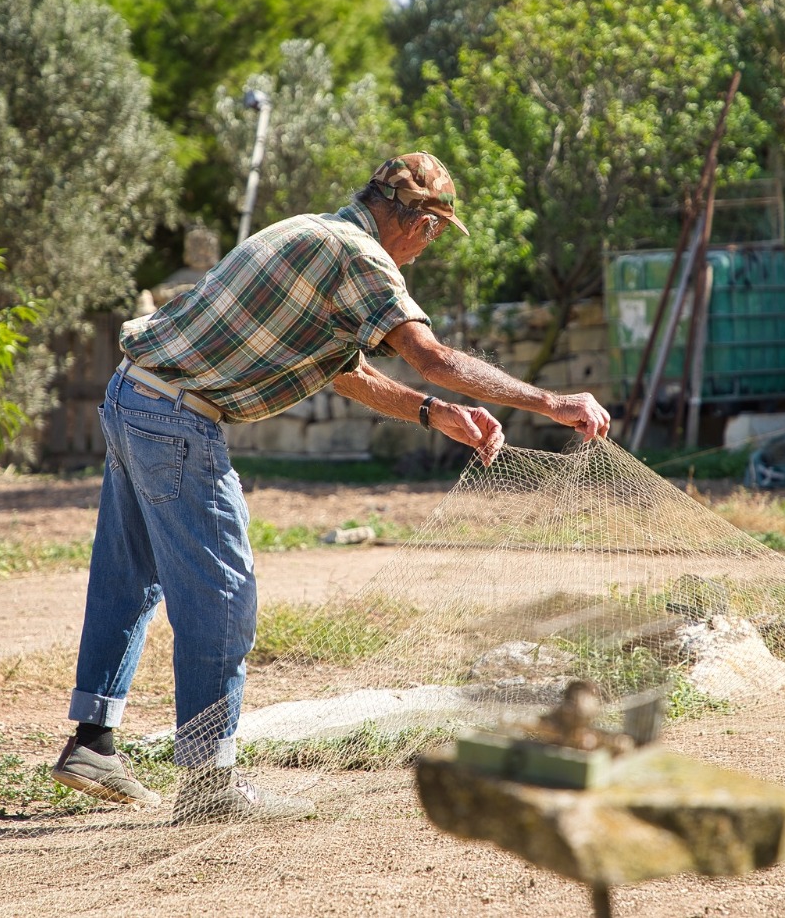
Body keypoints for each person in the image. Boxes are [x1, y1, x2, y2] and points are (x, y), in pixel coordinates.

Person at [52, 152, 611, 822]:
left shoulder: (316, 237)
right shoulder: (360, 256)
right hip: (174, 417)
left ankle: (93, 741)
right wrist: (552, 402)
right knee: (224, 592)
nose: (426, 251)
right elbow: (433, 356)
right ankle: (210, 785)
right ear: (409, 216)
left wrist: (435, 414)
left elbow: (344, 374)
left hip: (133, 395)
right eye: (431, 232)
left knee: (131, 573)